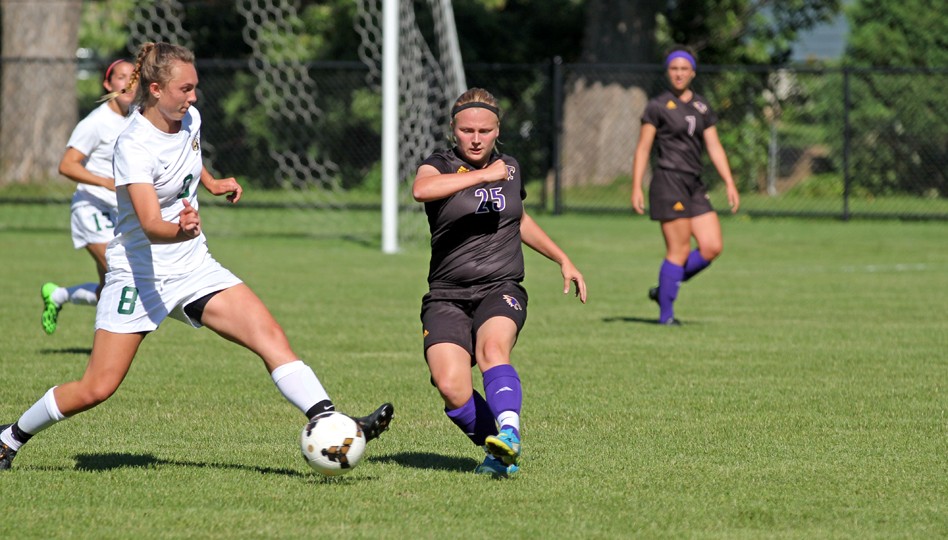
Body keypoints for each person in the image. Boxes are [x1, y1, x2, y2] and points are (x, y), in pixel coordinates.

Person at [0, 42, 392, 470]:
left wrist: (211, 182)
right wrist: (180, 228)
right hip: (139, 276)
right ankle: (10, 437)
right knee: (96, 387)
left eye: (195, 88)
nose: (194, 97)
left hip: (192, 267)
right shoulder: (133, 144)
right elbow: (150, 223)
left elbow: (189, 156)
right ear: (155, 88)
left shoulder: (190, 119)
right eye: (185, 89)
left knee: (270, 338)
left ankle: (330, 420)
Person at [412, 88, 587, 478]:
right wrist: (481, 176)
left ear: (497, 132)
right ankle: (499, 449)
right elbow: (421, 190)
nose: (476, 138)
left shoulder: (510, 166)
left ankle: (510, 430)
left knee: (492, 348)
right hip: (446, 295)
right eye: (467, 130)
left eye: (485, 131)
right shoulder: (438, 164)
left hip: (500, 286)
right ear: (453, 131)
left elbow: (519, 219)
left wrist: (563, 259)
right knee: (450, 385)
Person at [42, 59, 243, 335]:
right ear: (108, 84)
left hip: (121, 212)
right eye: (119, 78)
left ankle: (61, 296)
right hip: (92, 207)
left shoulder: (144, 116)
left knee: (110, 285)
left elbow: (184, 154)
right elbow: (67, 165)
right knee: (123, 275)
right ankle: (112, 343)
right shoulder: (97, 122)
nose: (126, 83)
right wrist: (105, 182)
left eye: (130, 77)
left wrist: (209, 182)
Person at [630, 46, 740, 325]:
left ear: (693, 72)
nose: (678, 74)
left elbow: (714, 146)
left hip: (694, 183)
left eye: (684, 69)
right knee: (677, 251)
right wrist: (636, 187)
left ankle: (665, 288)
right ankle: (666, 315)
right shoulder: (657, 106)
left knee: (712, 246)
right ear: (668, 72)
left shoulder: (702, 106)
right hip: (669, 181)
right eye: (673, 69)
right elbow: (643, 149)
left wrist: (729, 182)